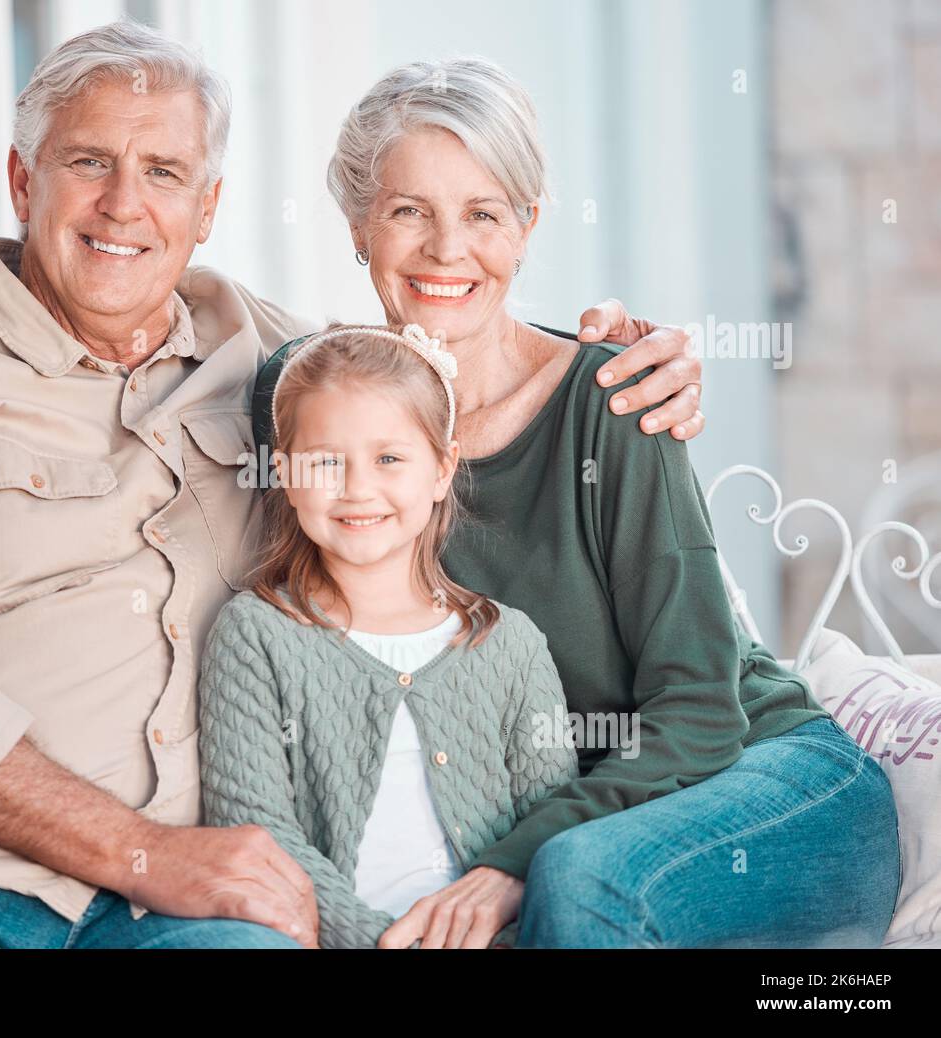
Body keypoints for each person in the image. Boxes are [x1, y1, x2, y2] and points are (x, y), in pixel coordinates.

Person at [0, 20, 709, 949]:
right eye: (88, 163)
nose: (125, 204)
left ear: (207, 210)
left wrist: (615, 360)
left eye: (163, 173)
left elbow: (416, 371)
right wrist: (143, 850)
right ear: (21, 179)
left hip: (177, 907)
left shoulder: (265, 353)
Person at [250, 56, 902, 948]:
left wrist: (513, 861)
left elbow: (703, 710)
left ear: (526, 228)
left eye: (483, 213)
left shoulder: (616, 396)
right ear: (359, 227)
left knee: (580, 878)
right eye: (409, 211)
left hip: (763, 787)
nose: (448, 249)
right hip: (586, 835)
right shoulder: (310, 414)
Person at [200, 322, 580, 949]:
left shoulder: (509, 645)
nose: (357, 488)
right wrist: (378, 942)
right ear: (286, 475)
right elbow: (257, 826)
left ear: (440, 470)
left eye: (389, 458)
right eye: (326, 461)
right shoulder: (257, 634)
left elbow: (549, 826)